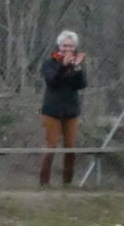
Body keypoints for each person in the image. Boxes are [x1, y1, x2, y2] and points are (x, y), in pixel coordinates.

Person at [35, 30, 86, 187]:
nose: (68, 49)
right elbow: (52, 81)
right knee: (51, 147)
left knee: (70, 148)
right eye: (65, 46)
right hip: (52, 111)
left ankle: (67, 183)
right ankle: (44, 183)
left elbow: (82, 84)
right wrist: (63, 67)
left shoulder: (77, 63)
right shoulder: (50, 63)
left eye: (71, 46)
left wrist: (76, 68)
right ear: (59, 46)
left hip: (71, 111)